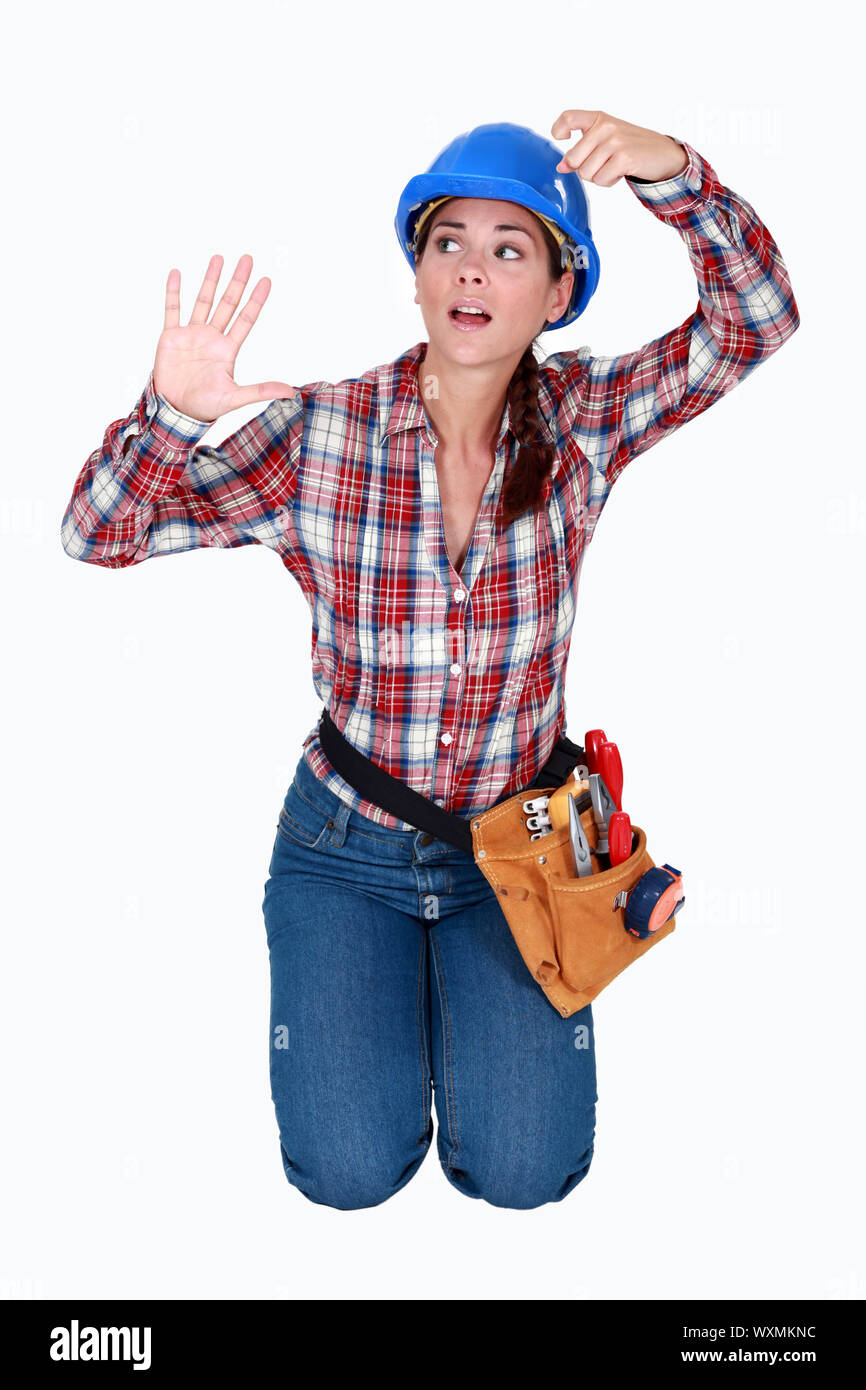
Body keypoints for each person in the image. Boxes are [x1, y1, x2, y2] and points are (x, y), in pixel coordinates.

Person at [60, 109, 800, 1211]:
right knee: (344, 1173)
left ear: (556, 293)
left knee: (524, 1173)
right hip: (342, 845)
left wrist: (673, 173)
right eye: (447, 240)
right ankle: (372, 1000)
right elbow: (98, 533)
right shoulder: (319, 432)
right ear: (414, 268)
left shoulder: (586, 416)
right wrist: (171, 412)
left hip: (515, 854)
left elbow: (756, 321)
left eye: (510, 249)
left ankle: (459, 1009)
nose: (471, 270)